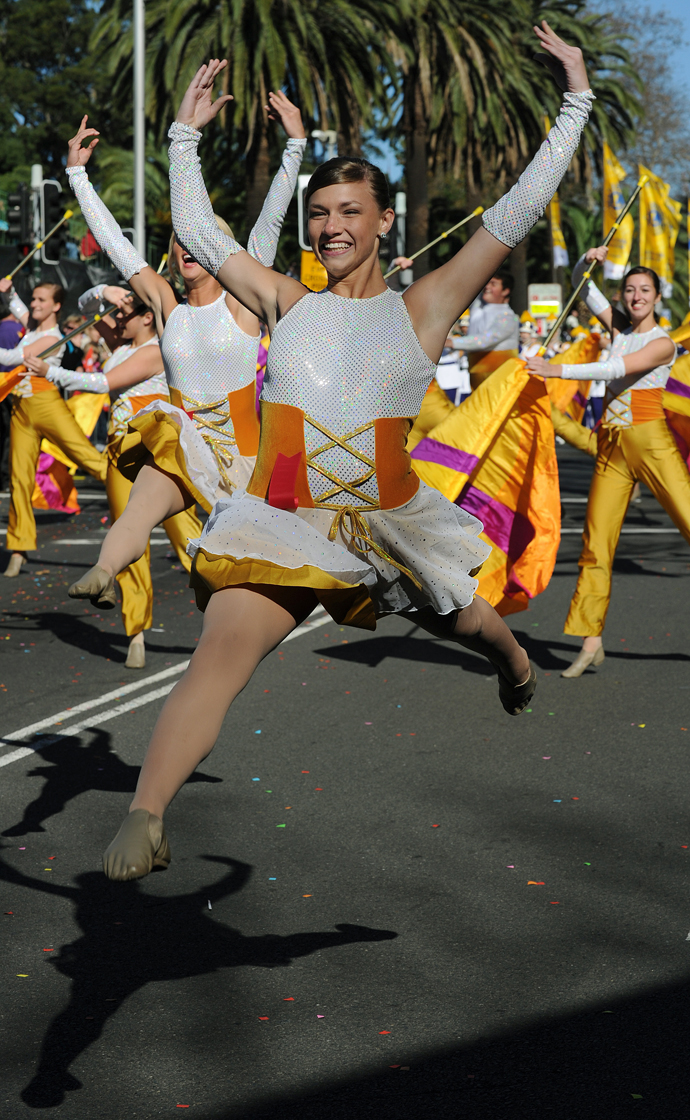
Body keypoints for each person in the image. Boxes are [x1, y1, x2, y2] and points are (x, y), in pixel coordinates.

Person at [100, 23, 593, 881]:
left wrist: (576, 97)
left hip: (386, 519)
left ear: (383, 220)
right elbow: (195, 227)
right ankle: (146, 813)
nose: (330, 228)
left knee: (464, 618)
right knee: (217, 658)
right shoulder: (284, 297)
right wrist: (184, 135)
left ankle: (514, 661)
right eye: (319, 215)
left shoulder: (427, 304)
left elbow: (516, 207)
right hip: (282, 520)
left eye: (348, 213)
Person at [63, 91, 306, 609]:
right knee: (139, 508)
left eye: (200, 240)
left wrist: (295, 146)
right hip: (182, 444)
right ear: (173, 256)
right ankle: (105, 570)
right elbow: (115, 244)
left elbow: (271, 220)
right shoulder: (167, 305)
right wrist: (77, 176)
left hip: (242, 463)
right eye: (180, 242)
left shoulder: (243, 303)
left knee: (243, 590)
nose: (188, 247)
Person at [526, 245, 690, 677]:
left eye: (645, 290)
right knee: (595, 545)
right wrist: (587, 257)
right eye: (630, 290)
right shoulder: (618, 326)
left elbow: (615, 370)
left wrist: (555, 371)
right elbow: (584, 285)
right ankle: (590, 640)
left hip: (651, 441)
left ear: (658, 297)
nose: (636, 296)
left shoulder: (661, 343)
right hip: (612, 447)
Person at [40, 285, 203, 669]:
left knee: (189, 539)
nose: (115, 319)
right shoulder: (119, 347)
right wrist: (105, 291)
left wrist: (50, 371)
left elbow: (103, 384)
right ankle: (136, 633)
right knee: (128, 542)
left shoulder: (159, 349)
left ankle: (232, 609)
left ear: (148, 316)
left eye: (125, 312)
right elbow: (84, 309)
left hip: (158, 455)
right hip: (119, 454)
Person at [0, 280, 107, 578]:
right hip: (21, 410)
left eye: (41, 300)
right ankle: (18, 550)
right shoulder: (31, 326)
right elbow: (16, 304)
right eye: (33, 299)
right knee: (19, 479)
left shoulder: (51, 337)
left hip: (46, 404)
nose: (34, 305)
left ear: (56, 306)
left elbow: (9, 359)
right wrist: (8, 291)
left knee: (88, 458)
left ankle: (137, 489)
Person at [450, 270, 519, 390]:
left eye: (493, 284)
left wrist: (452, 342)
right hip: (476, 375)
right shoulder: (478, 308)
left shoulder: (508, 316)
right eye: (487, 283)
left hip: (499, 378)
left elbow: (485, 340)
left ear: (505, 291)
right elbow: (473, 285)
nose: (487, 286)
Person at [0, 297, 25, 489]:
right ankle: (7, 476)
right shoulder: (19, 331)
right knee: (12, 433)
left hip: (5, 386)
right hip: (12, 386)